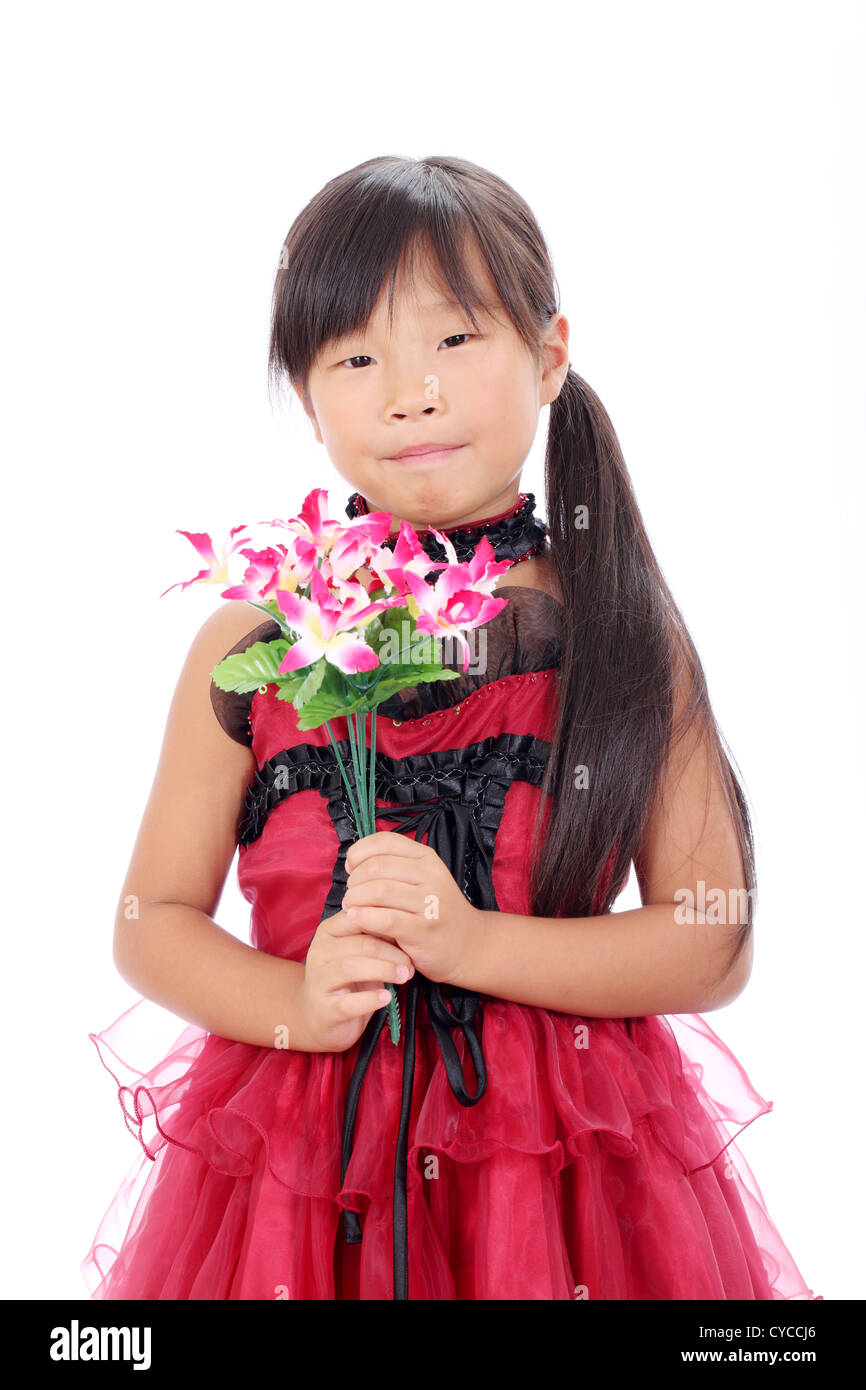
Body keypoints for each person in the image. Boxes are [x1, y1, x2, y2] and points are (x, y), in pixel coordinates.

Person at [82, 154, 820, 1300]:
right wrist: (294, 1006)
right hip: (304, 1165)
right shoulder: (260, 643)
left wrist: (470, 944)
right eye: (357, 356)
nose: (407, 390)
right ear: (307, 393)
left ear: (548, 356)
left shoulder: (612, 628)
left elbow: (706, 938)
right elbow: (153, 920)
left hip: (565, 1161)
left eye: (456, 340)